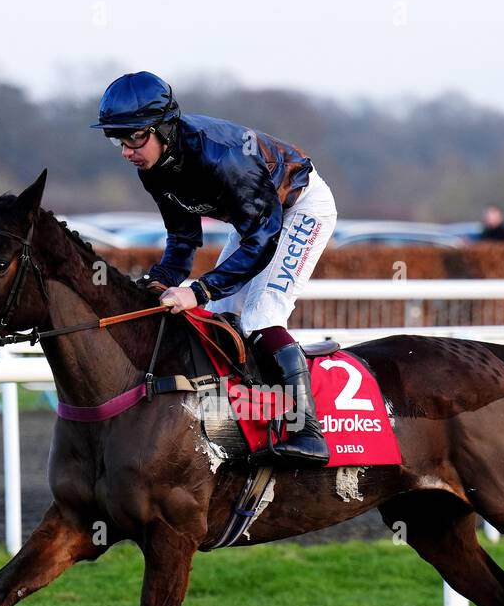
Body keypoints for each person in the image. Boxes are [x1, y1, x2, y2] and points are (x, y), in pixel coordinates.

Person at [92, 71, 337, 467]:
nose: (126, 150)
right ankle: (236, 425)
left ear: (164, 128)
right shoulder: (152, 168)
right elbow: (183, 238)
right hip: (256, 221)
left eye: (135, 137)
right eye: (117, 138)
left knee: (261, 314)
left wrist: (198, 291)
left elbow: (263, 241)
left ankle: (307, 430)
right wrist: (162, 280)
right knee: (221, 319)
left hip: (299, 209)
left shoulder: (222, 156)